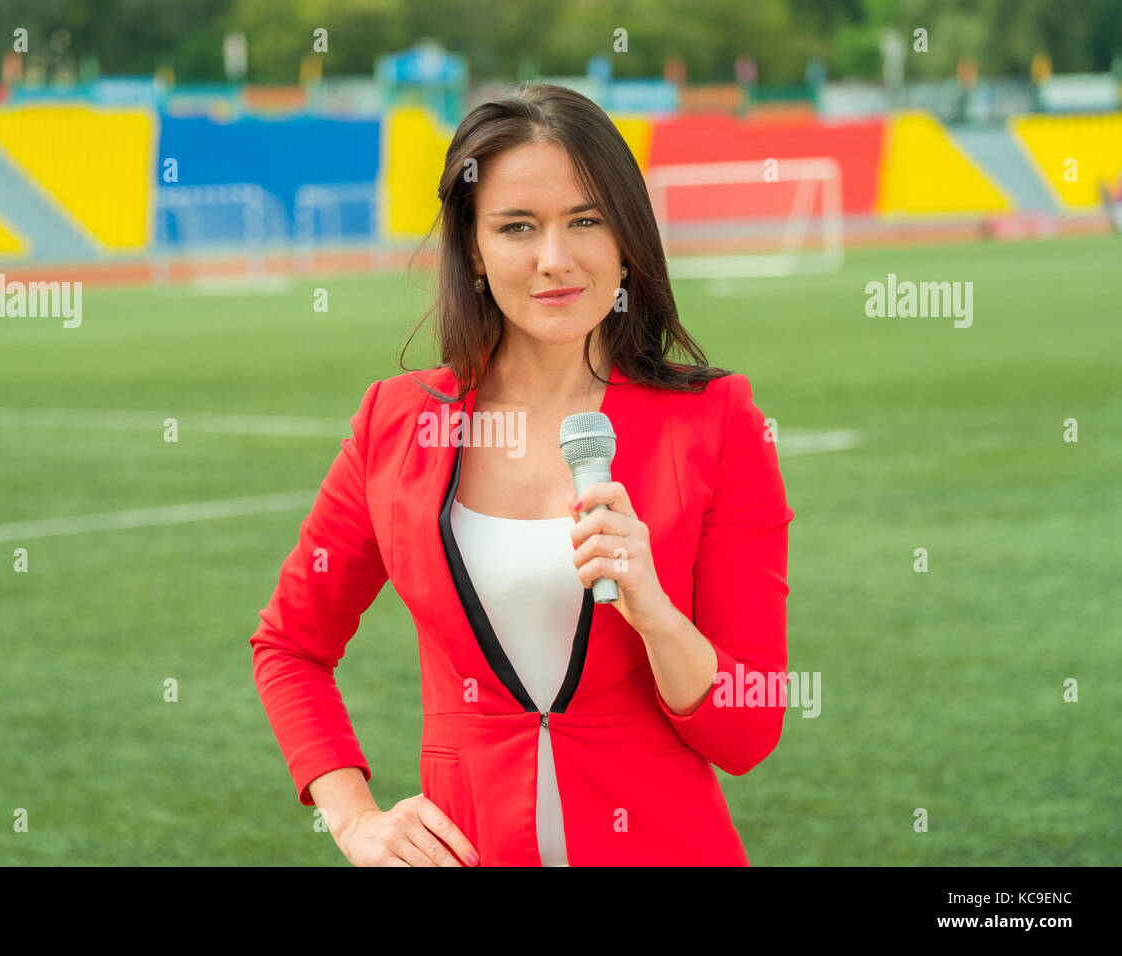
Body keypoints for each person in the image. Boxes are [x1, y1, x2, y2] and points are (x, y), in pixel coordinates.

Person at [250, 82, 795, 866]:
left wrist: (655, 613)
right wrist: (355, 818)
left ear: (627, 235)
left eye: (585, 220)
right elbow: (290, 646)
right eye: (517, 227)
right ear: (473, 246)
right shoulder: (395, 424)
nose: (555, 260)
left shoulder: (718, 422)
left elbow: (747, 734)